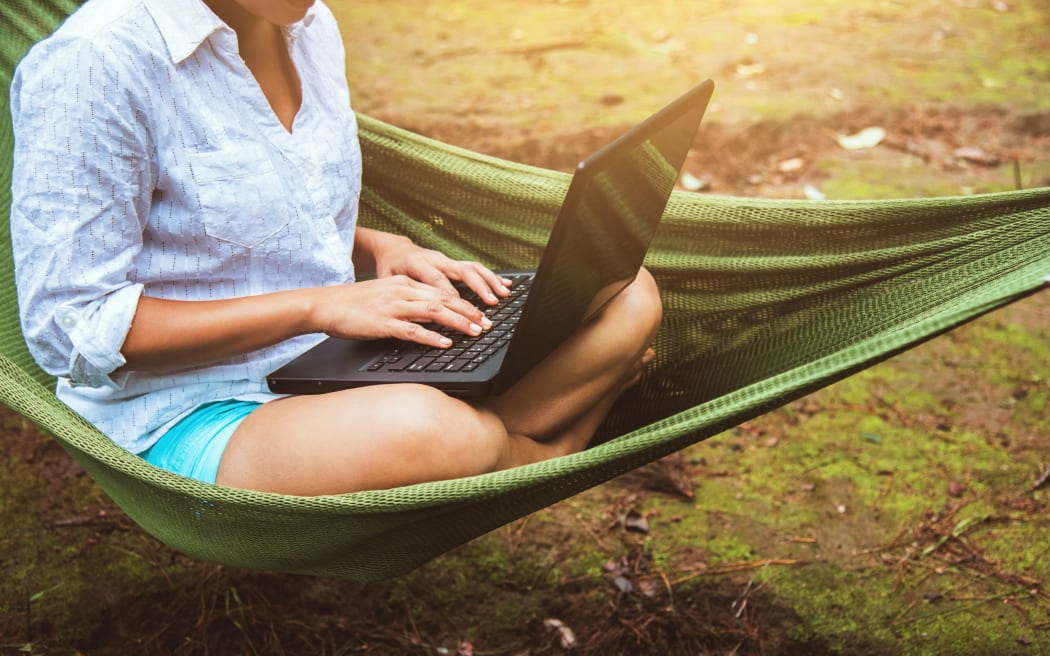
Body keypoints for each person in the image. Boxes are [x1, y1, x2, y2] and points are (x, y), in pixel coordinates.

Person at [10, 0, 662, 495]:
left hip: (332, 360)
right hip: (193, 407)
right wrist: (318, 307)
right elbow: (71, 328)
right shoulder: (94, 65)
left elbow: (230, 210)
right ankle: (550, 450)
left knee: (627, 295)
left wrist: (381, 245)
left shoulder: (308, 23)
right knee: (431, 432)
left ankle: (496, 440)